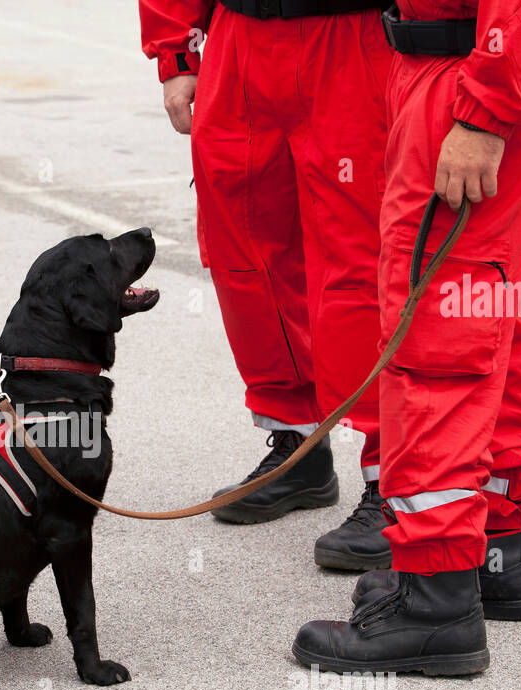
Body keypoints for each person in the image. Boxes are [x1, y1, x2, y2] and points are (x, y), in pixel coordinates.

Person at [293, 1, 521, 673]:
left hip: (472, 75)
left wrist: (486, 111)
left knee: (438, 329)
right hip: (465, 65)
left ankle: (435, 599)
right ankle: (493, 551)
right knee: (480, 307)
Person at [140, 0, 397, 573]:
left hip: (355, 38)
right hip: (240, 41)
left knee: (360, 262)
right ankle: (297, 449)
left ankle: (396, 483)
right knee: (247, 256)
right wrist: (175, 51)